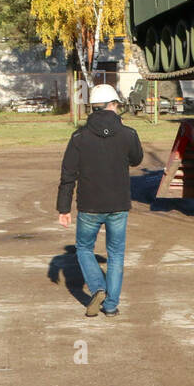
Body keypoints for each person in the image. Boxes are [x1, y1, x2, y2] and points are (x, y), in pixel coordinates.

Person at [57, 84, 143, 318]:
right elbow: (137, 159)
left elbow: (68, 174)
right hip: (119, 206)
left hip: (89, 206)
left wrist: (63, 208)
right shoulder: (129, 134)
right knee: (115, 255)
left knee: (84, 248)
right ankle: (111, 305)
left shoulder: (78, 137)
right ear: (113, 105)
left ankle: (98, 288)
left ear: (93, 108)